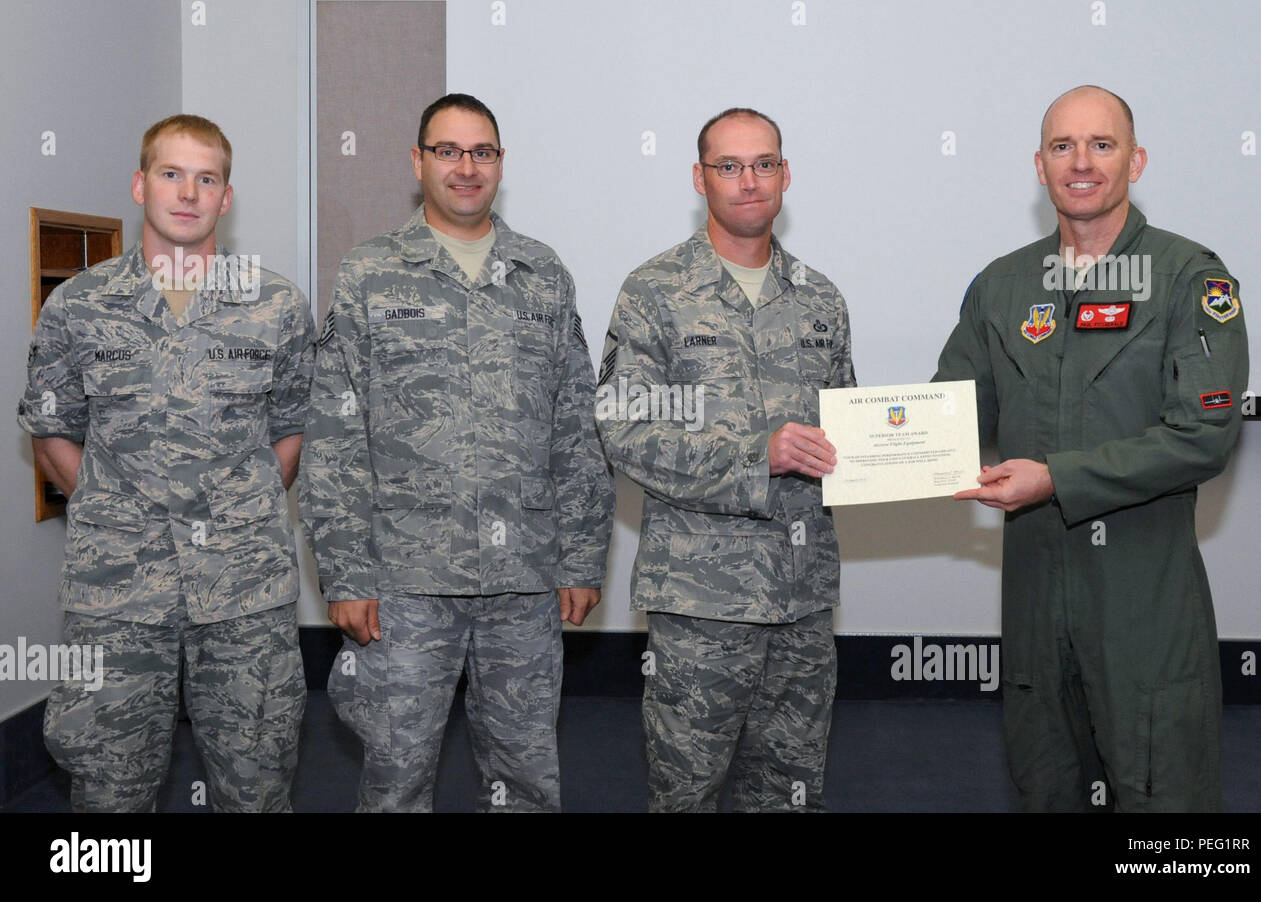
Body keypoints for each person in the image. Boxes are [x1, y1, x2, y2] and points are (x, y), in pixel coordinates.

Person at [934, 85, 1248, 812]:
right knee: (1045, 788)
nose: (1082, 163)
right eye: (1062, 147)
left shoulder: (1189, 278)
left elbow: (1202, 436)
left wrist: (1057, 479)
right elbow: (945, 416)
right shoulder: (1003, 286)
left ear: (1135, 160)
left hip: (1143, 607)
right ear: (1038, 166)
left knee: (1163, 807)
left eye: (1101, 145)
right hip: (1036, 608)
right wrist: (853, 445)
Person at [301, 93, 614, 812]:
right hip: (406, 579)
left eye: (482, 152)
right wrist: (345, 573)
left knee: (527, 775)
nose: (466, 168)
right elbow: (335, 436)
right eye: (448, 151)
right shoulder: (371, 274)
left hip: (525, 580)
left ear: (501, 163)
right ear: (418, 162)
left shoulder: (542, 273)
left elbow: (574, 423)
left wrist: (581, 557)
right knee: (396, 773)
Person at [18, 114, 315, 812]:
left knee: (258, 780)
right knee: (108, 787)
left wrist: (245, 509)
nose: (188, 192)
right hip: (117, 594)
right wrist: (108, 509)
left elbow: (294, 426)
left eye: (206, 178)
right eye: (171, 173)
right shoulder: (78, 306)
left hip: (246, 594)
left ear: (226, 197)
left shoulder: (275, 305)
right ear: (140, 183)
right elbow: (52, 430)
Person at [597, 108, 855, 812]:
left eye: (764, 164)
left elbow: (846, 427)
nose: (750, 182)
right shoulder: (655, 292)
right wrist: (756, 455)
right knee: (687, 794)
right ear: (699, 178)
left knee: (790, 794)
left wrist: (905, 454)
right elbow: (622, 431)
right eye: (730, 166)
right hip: (700, 605)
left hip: (802, 601)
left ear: (786, 175)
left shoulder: (821, 299)